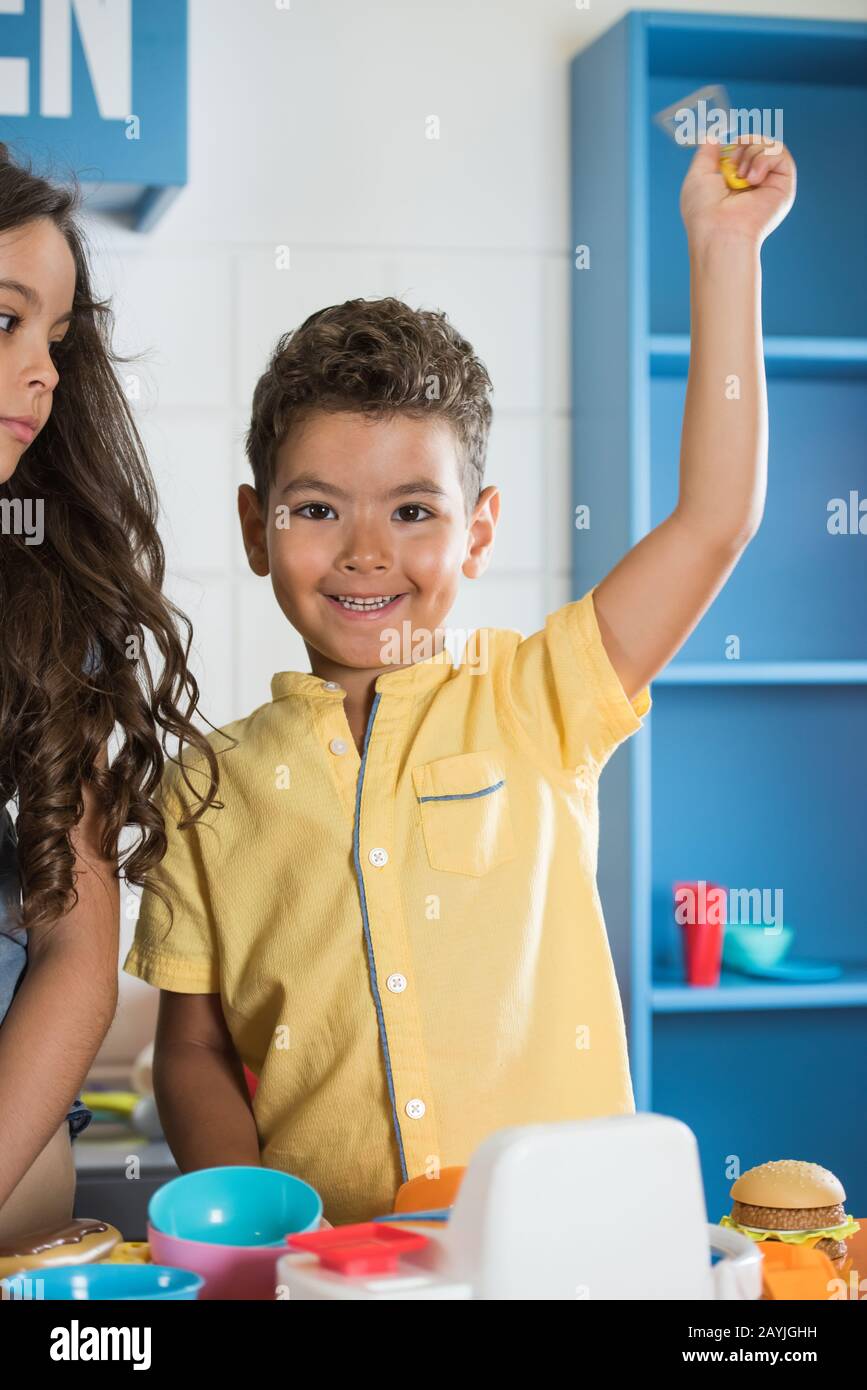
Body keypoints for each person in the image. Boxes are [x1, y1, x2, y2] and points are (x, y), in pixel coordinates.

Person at [124, 135, 796, 1226]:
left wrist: (724, 249)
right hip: (336, 1278)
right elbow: (193, 1045)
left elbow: (717, 519)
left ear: (479, 530)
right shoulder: (209, 782)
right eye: (315, 507)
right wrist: (248, 1227)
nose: (364, 551)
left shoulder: (542, 696)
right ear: (257, 527)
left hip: (570, 1261)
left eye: (413, 510)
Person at [0, 143, 221, 1238]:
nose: (43, 370)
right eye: (5, 322)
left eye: (57, 339)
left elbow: (75, 954)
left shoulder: (41, 610)